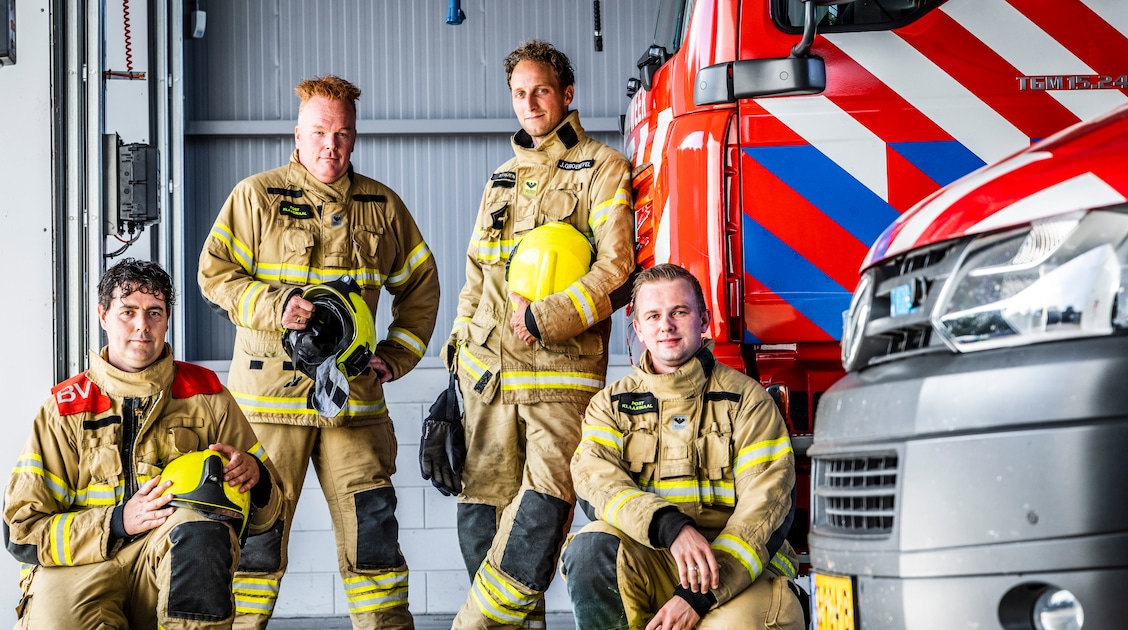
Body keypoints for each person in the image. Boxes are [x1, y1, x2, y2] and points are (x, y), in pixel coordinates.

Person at [198, 75, 439, 629]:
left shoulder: (383, 206)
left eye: (343, 134)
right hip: (268, 406)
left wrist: (395, 356)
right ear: (298, 133)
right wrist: (271, 303)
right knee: (254, 538)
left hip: (355, 404)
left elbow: (421, 286)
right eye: (320, 132)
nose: (331, 145)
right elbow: (214, 275)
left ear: (355, 137)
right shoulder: (256, 196)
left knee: (374, 542)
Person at [443, 40, 636, 629]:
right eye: (519, 94)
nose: (529, 103)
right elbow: (475, 277)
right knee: (480, 522)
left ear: (567, 95)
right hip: (486, 380)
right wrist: (455, 362)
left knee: (540, 516)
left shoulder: (603, 167)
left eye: (541, 91)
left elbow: (617, 268)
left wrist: (544, 318)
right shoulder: (500, 179)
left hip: (559, 376)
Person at [3, 258, 284, 629]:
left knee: (200, 533)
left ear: (168, 320)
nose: (142, 326)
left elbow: (270, 514)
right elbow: (22, 531)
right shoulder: (65, 409)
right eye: (128, 311)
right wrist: (118, 521)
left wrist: (258, 479)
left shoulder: (208, 396)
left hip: (167, 571)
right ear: (103, 315)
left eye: (155, 312)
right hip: (81, 569)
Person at [560, 264, 805, 630]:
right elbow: (597, 484)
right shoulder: (610, 405)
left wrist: (698, 595)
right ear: (638, 328)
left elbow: (765, 510)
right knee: (590, 548)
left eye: (679, 312)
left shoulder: (747, 401)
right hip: (655, 562)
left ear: (704, 320)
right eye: (653, 315)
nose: (666, 325)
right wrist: (669, 527)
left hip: (739, 573)